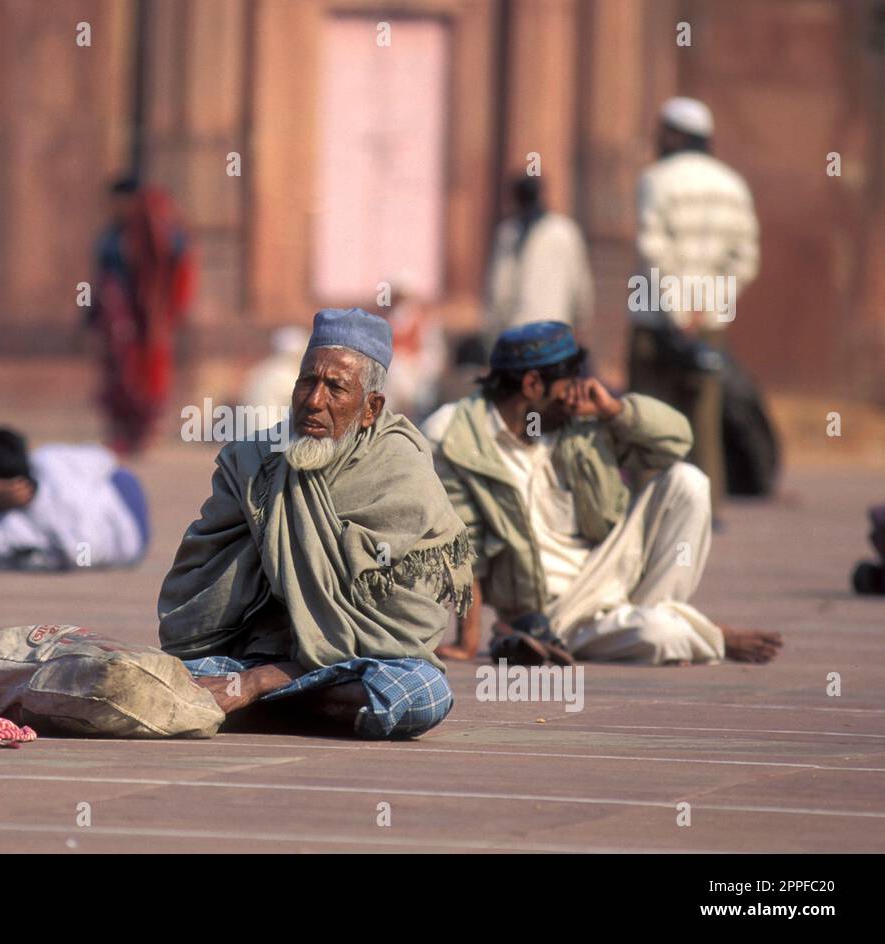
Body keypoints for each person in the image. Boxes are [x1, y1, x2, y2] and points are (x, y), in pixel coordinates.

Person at [157, 308, 474, 739]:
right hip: (258, 652)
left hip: (363, 664)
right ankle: (292, 706)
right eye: (307, 382)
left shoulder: (403, 475)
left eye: (336, 388)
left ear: (371, 408)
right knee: (174, 674)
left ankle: (260, 702)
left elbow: (406, 624)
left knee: (423, 694)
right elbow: (201, 591)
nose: (314, 401)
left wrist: (266, 679)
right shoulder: (252, 462)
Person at [422, 321, 782, 666]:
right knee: (659, 634)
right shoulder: (455, 437)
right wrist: (467, 641)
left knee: (689, 482)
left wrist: (615, 411)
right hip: (554, 613)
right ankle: (701, 633)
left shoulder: (580, 420)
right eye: (567, 385)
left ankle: (658, 616)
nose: (577, 392)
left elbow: (677, 441)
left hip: (612, 569)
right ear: (533, 385)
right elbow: (463, 549)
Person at [629, 97, 761, 517]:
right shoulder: (732, 184)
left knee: (650, 417)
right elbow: (745, 258)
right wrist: (706, 306)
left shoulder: (656, 180)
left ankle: (652, 508)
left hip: (658, 318)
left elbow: (654, 250)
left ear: (674, 135)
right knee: (703, 419)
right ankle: (706, 509)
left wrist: (679, 311)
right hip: (708, 322)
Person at [0, 427, 149, 571]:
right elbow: (107, 459)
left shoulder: (16, 527)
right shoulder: (51, 459)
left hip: (124, 549)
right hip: (126, 507)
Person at [89, 177, 195, 455]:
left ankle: (145, 434)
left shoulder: (153, 230)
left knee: (145, 376)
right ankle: (122, 433)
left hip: (145, 318)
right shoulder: (113, 234)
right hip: (116, 316)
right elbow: (101, 275)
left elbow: (173, 261)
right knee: (119, 374)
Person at [483, 175, 594, 344]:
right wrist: (581, 321)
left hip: (529, 331)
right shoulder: (511, 233)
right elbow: (580, 286)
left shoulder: (561, 231)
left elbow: (498, 291)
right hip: (544, 330)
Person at [379, 273, 446, 422]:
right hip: (391, 383)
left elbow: (434, 356)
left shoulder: (425, 322)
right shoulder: (384, 321)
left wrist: (413, 363)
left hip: (416, 379)